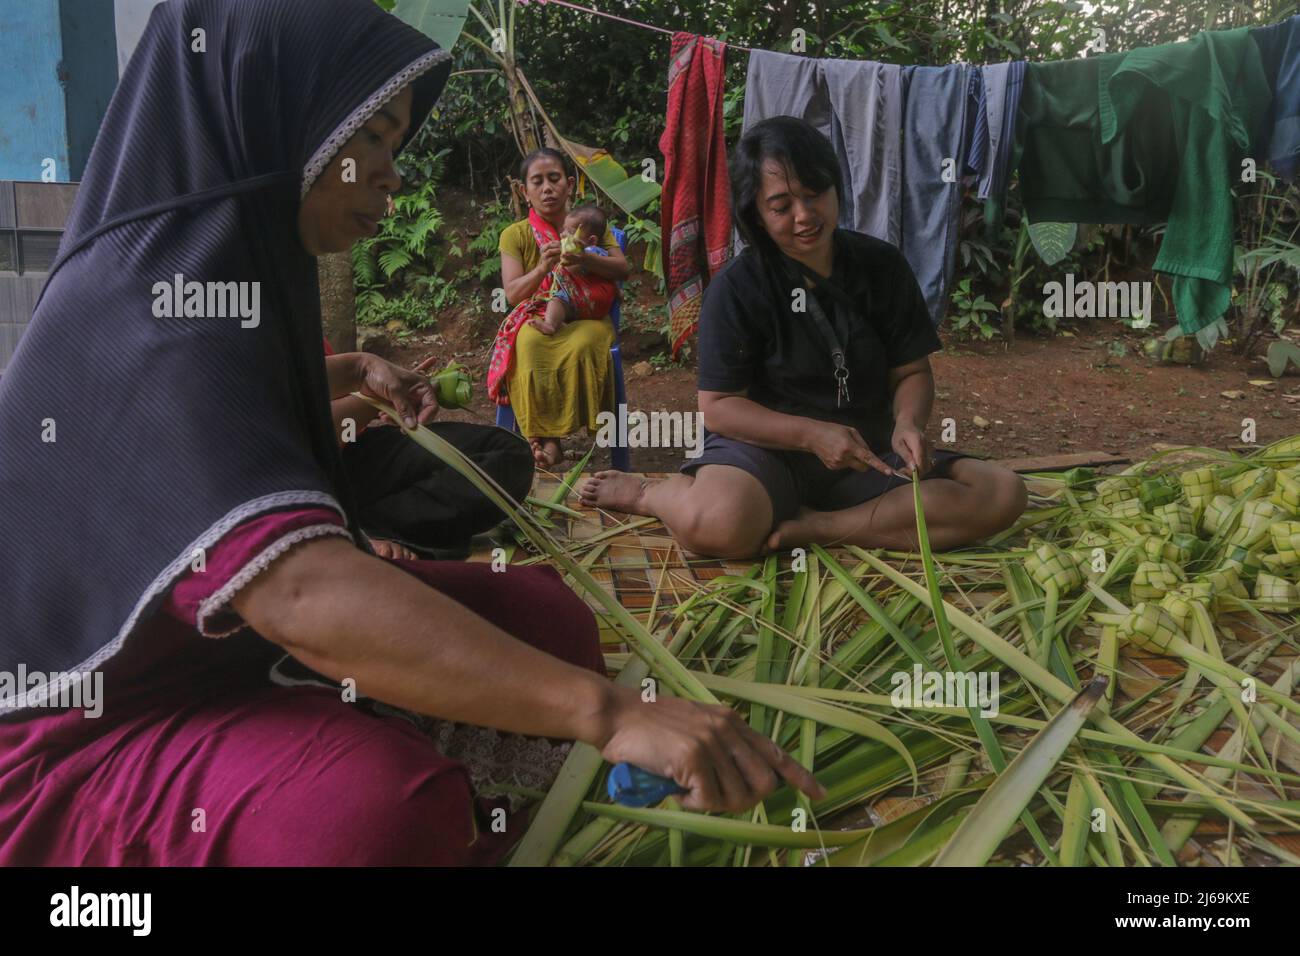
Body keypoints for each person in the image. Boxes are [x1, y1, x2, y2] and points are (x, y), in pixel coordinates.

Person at [0, 0, 821, 867]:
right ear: (276, 121)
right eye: (374, 140)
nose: (391, 175)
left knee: (546, 621)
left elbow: (225, 411)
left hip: (232, 646)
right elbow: (299, 597)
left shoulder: (213, 281)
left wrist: (353, 375)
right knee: (380, 813)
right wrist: (612, 714)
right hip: (89, 726)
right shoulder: (142, 314)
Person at [580, 116, 1028, 557]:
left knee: (1001, 492)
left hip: (866, 453)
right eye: (781, 206)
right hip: (765, 453)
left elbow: (912, 371)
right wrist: (811, 435)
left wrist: (908, 423)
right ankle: (649, 495)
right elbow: (718, 408)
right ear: (755, 213)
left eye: (816, 195)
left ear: (836, 188)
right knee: (719, 525)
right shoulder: (738, 288)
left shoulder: (882, 266)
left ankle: (819, 527)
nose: (804, 216)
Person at [324, 341, 535, 561]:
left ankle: (360, 526)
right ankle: (335, 529)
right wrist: (380, 395)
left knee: (507, 453)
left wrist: (392, 391)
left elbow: (330, 393)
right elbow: (304, 436)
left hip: (351, 451)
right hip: (306, 475)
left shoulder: (300, 323)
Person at [493, 149, 631, 468]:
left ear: (569, 185)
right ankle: (544, 440)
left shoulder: (589, 223)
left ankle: (559, 435)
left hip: (589, 317)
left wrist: (585, 257)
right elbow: (513, 293)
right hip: (539, 316)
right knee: (528, 343)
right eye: (537, 182)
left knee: (585, 343)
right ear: (524, 192)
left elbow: (622, 269)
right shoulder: (514, 235)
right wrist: (543, 267)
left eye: (554, 179)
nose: (547, 188)